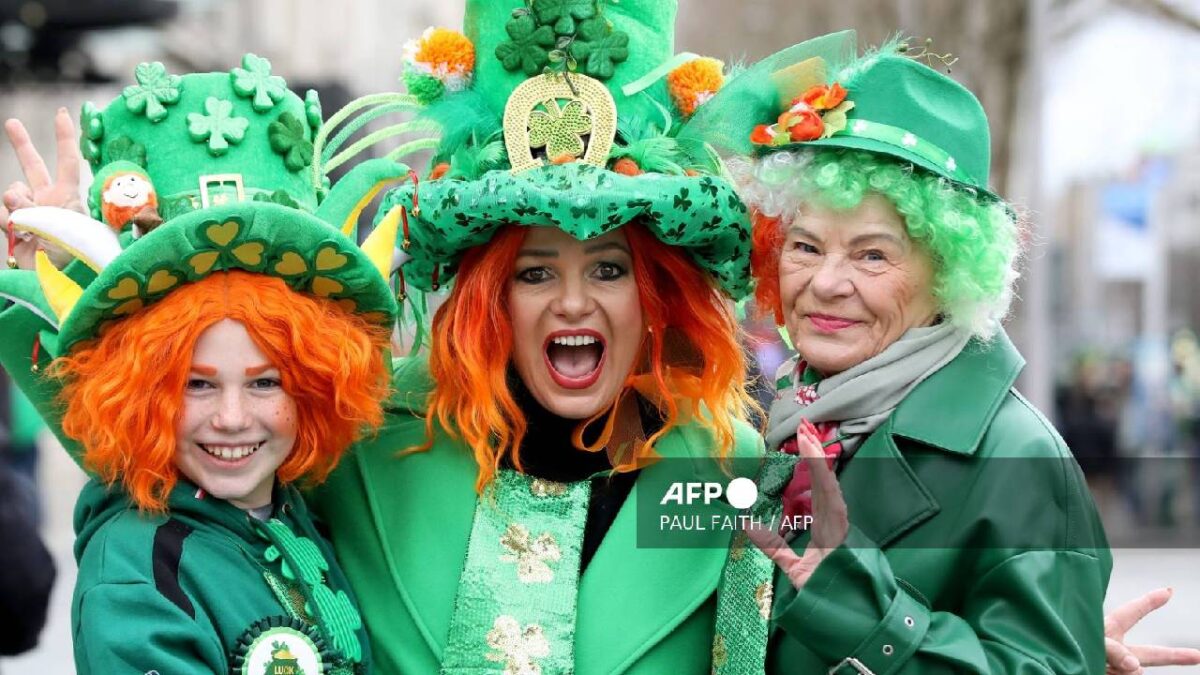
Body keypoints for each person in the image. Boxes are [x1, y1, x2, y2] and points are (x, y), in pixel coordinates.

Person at [2, 10, 1194, 675]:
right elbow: (189, 440)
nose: (573, 304)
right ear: (489, 296)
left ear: (656, 293)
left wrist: (1044, 658)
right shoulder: (375, 440)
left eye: (609, 268)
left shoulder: (717, 476)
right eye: (534, 272)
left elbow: (834, 591)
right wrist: (63, 300)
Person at [719, 33, 1200, 673]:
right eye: (805, 246)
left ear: (950, 275)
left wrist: (870, 619)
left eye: (872, 255)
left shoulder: (1019, 457)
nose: (827, 282)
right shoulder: (751, 424)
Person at [0, 57, 401, 673]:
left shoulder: (287, 507)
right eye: (195, 385)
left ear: (316, 386)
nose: (232, 418)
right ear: (138, 392)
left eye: (265, 381)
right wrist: (62, 278)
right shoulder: (136, 572)